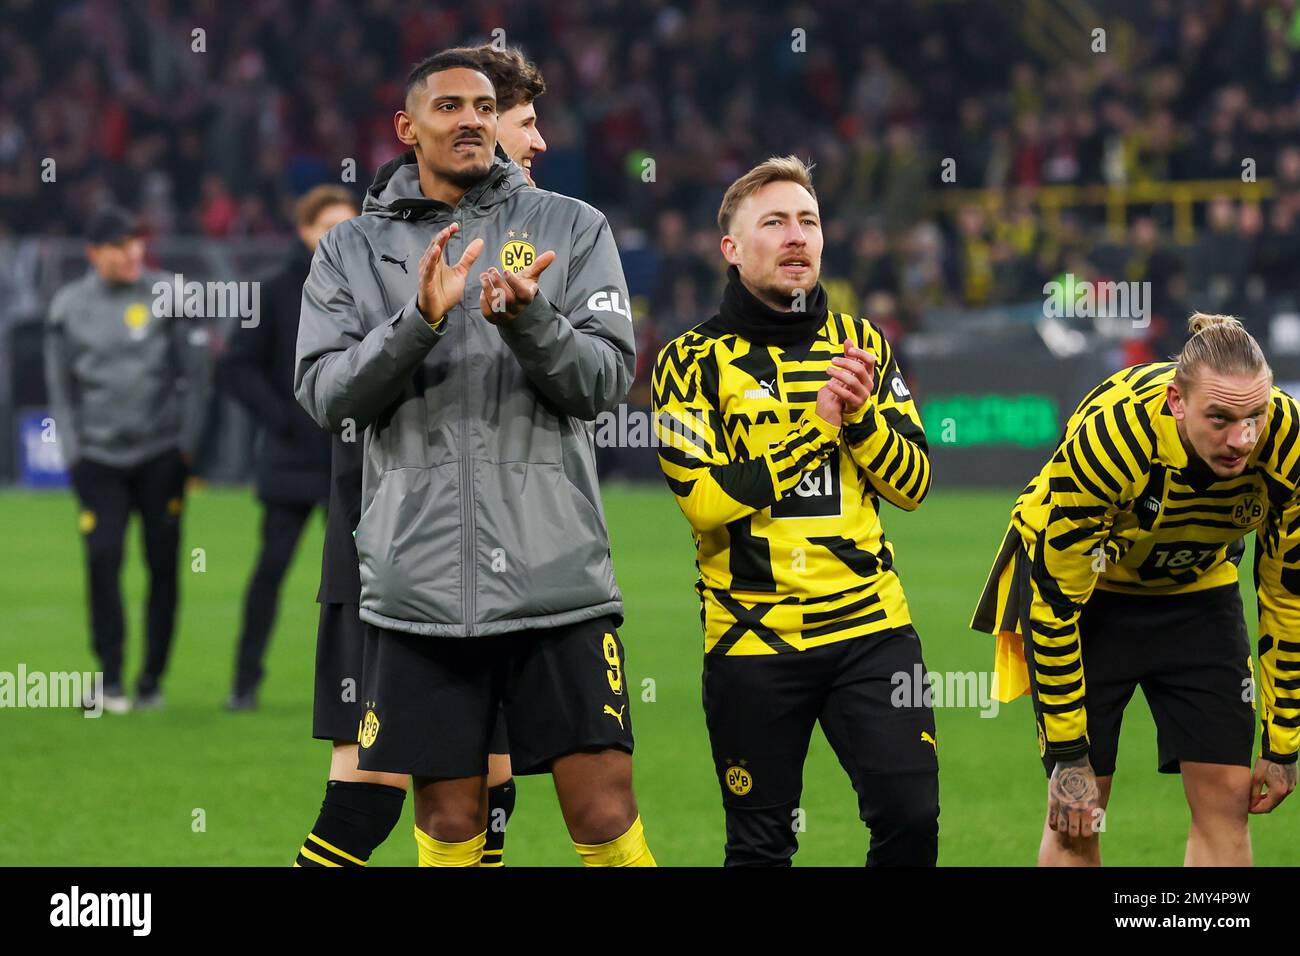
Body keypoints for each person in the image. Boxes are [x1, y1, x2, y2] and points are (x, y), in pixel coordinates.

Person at [295, 49, 654, 867]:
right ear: (407, 127)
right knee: (453, 818)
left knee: (601, 807)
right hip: (419, 584)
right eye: (449, 105)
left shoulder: (569, 227)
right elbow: (324, 394)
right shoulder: (351, 251)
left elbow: (604, 382)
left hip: (554, 575)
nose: (470, 120)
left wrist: (531, 323)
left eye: (484, 106)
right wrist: (414, 323)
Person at [292, 44, 549, 869]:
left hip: (501, 563)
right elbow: (332, 390)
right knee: (368, 792)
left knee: (489, 785)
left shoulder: (540, 243)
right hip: (388, 554)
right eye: (526, 124)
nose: (534, 143)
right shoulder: (377, 246)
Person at [651, 156, 939, 866]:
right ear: (731, 248)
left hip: (872, 631)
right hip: (752, 643)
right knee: (760, 848)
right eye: (774, 222)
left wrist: (865, 420)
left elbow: (915, 485)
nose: (796, 237)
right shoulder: (687, 361)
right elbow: (706, 503)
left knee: (912, 819)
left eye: (807, 221)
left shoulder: (863, 344)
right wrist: (816, 429)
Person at [972, 314, 1299, 866]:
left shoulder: (1288, 441)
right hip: (1091, 600)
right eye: (1219, 418)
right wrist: (1068, 756)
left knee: (1227, 802)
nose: (1240, 440)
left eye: (1254, 418)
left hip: (1198, 592)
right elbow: (1053, 607)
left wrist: (1284, 741)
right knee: (1080, 816)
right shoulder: (1112, 437)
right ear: (1176, 401)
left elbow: (1288, 596)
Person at [44, 206, 209, 713]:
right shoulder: (67, 307)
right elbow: (60, 389)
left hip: (161, 455)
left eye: (137, 241)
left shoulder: (171, 294)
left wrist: (187, 445)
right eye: (121, 244)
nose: (134, 252)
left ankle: (151, 680)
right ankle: (111, 678)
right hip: (97, 458)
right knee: (102, 556)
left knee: (162, 565)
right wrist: (72, 453)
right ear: (95, 253)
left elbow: (198, 376)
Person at [219, 185, 355, 711]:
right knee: (271, 568)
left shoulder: (366, 288)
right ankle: (244, 681)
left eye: (346, 226)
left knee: (355, 581)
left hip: (348, 456)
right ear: (303, 232)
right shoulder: (276, 291)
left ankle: (357, 688)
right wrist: (283, 418)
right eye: (326, 227)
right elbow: (235, 366)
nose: (336, 238)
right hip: (292, 457)